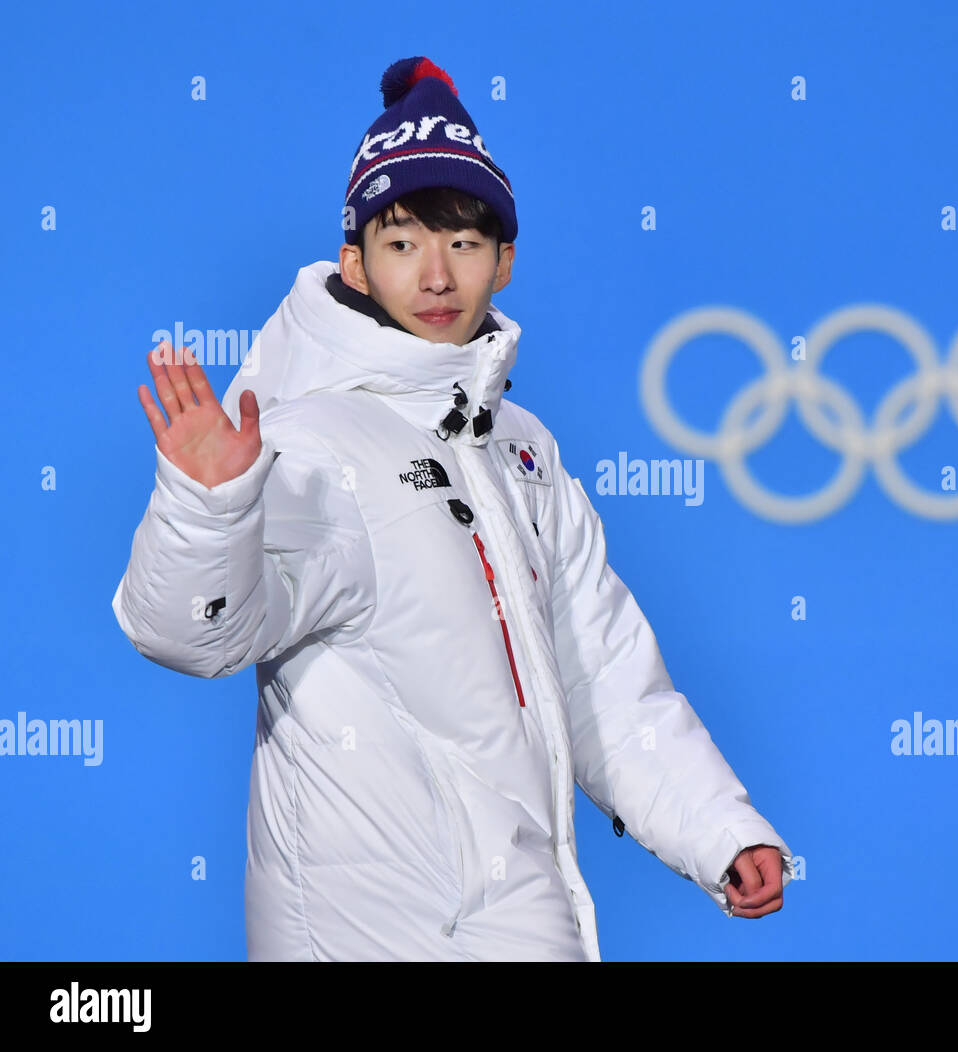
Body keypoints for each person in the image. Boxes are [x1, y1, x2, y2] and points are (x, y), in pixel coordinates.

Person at [111, 56, 794, 962]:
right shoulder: (314, 441)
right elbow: (193, 635)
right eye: (401, 245)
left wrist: (718, 828)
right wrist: (209, 504)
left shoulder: (522, 449)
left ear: (504, 261)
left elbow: (600, 672)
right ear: (354, 263)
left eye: (464, 244)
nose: (436, 275)